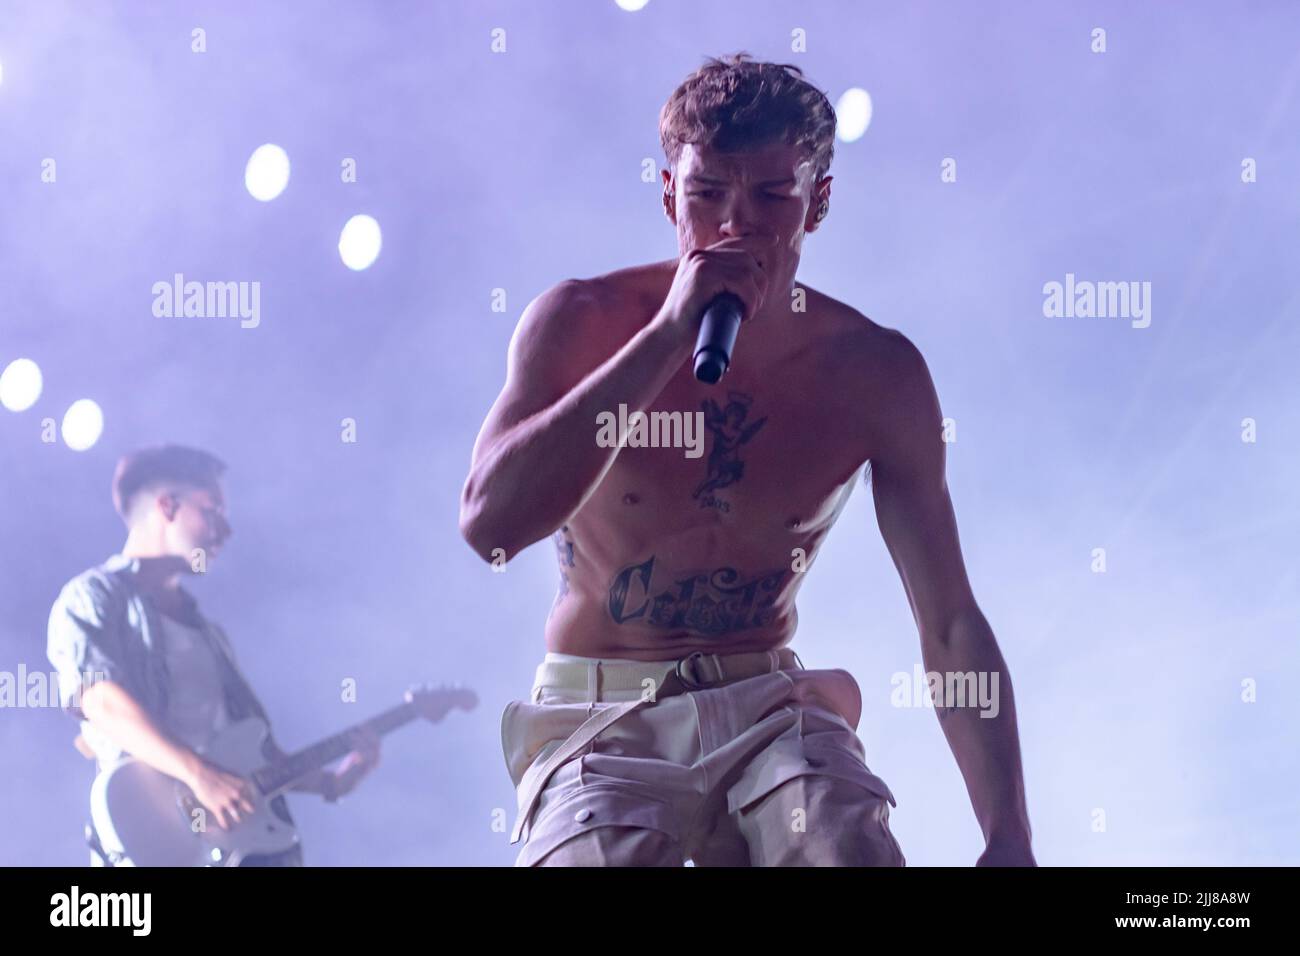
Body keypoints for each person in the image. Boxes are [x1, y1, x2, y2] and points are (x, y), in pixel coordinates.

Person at [461, 53, 1036, 867]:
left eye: (772, 196)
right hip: (602, 713)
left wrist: (1008, 833)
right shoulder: (581, 320)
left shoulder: (874, 372)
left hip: (770, 706)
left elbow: (948, 622)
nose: (737, 226)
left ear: (818, 204)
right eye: (706, 195)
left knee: (843, 842)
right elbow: (489, 525)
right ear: (668, 195)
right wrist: (664, 337)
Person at [47, 444, 381, 866]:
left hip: (242, 848)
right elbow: (99, 700)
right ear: (167, 506)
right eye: (212, 510)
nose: (226, 530)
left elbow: (256, 756)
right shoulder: (93, 595)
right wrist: (200, 775)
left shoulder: (209, 633)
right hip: (154, 844)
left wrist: (334, 781)